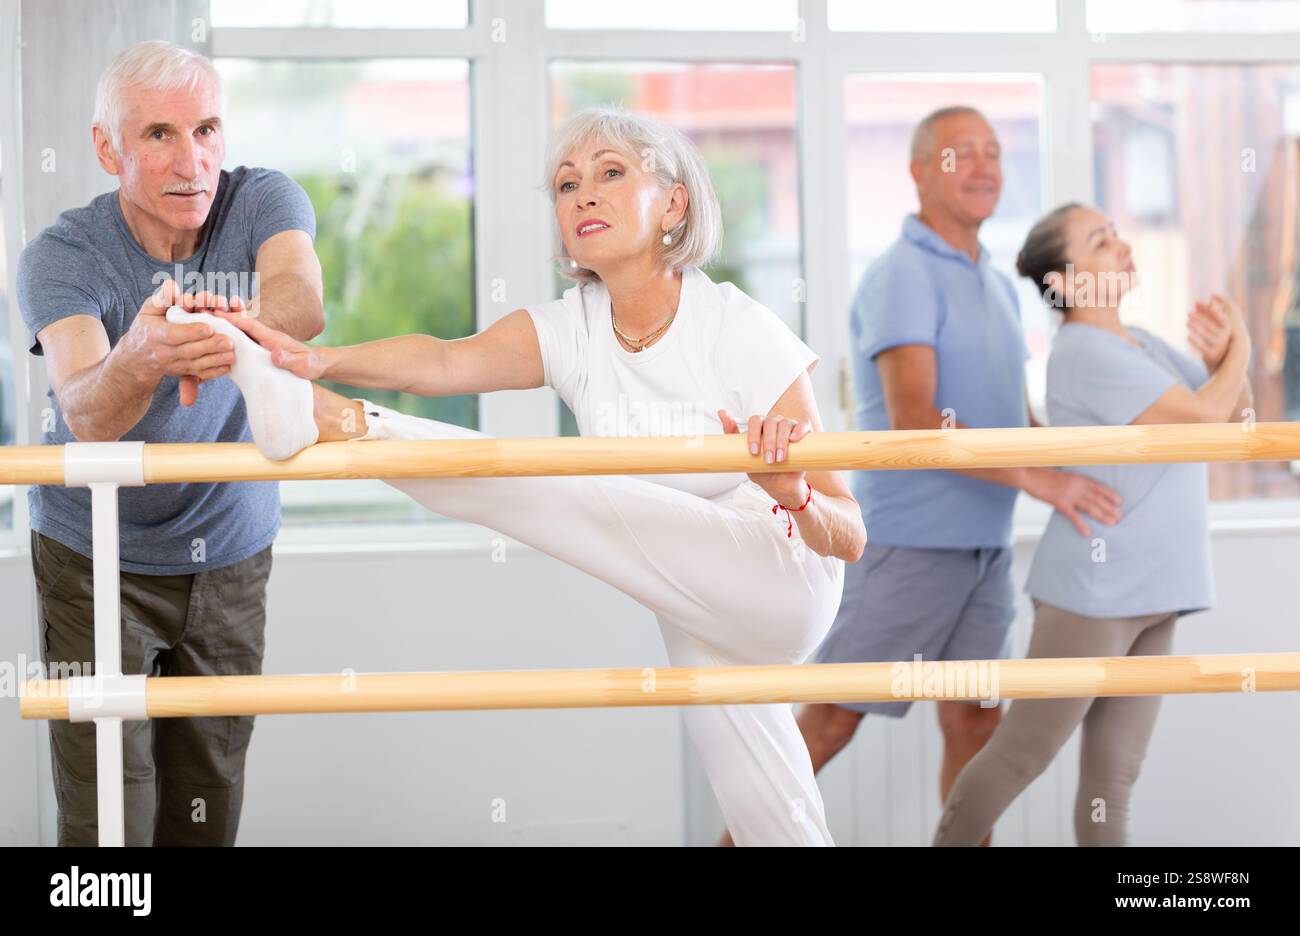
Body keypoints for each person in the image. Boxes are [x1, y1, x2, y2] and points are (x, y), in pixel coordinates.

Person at [177, 107, 867, 847]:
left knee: (569, 486)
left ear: (674, 204)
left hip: (780, 573)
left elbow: (850, 534)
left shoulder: (737, 326)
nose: (583, 194)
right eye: (567, 184)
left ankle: (350, 423)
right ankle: (324, 404)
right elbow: (446, 360)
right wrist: (315, 359)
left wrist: (795, 494)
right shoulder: (575, 327)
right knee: (772, 812)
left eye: (610, 173)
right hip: (689, 594)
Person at [17, 40, 323, 845]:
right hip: (95, 560)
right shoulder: (63, 254)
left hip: (228, 548)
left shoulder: (261, 199)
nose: (194, 163)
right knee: (108, 813)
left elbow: (301, 304)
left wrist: (192, 328)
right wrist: (145, 354)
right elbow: (89, 413)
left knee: (207, 800)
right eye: (160, 135)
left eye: (207, 130)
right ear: (107, 147)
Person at [800, 107, 1122, 843]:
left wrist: (1084, 460)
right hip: (907, 547)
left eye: (994, 152)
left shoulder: (996, 283)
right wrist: (1041, 482)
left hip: (984, 549)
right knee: (831, 722)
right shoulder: (903, 273)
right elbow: (918, 417)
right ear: (919, 172)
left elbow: (1012, 418)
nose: (982, 167)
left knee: (975, 722)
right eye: (960, 154)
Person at [934, 203, 1253, 846]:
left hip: (1158, 590)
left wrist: (1225, 361)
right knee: (1018, 759)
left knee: (1113, 782)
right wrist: (1240, 346)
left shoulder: (1144, 345)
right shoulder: (1082, 353)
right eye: (1100, 241)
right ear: (1066, 282)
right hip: (1095, 595)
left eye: (1115, 234)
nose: (1121, 246)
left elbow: (1235, 417)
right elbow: (1199, 419)